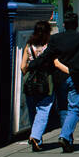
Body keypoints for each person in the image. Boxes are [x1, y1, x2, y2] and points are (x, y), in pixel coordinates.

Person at [29, 12, 79, 153]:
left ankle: (68, 138)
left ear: (64, 25)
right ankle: (65, 136)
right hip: (78, 78)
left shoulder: (55, 39)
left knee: (64, 108)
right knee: (75, 108)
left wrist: (32, 65)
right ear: (77, 24)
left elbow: (46, 56)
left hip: (59, 78)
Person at [21, 20, 54, 148]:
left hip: (30, 80)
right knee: (43, 109)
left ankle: (34, 134)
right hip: (46, 80)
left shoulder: (29, 46)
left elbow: (23, 66)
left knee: (32, 109)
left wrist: (28, 74)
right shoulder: (49, 46)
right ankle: (35, 136)